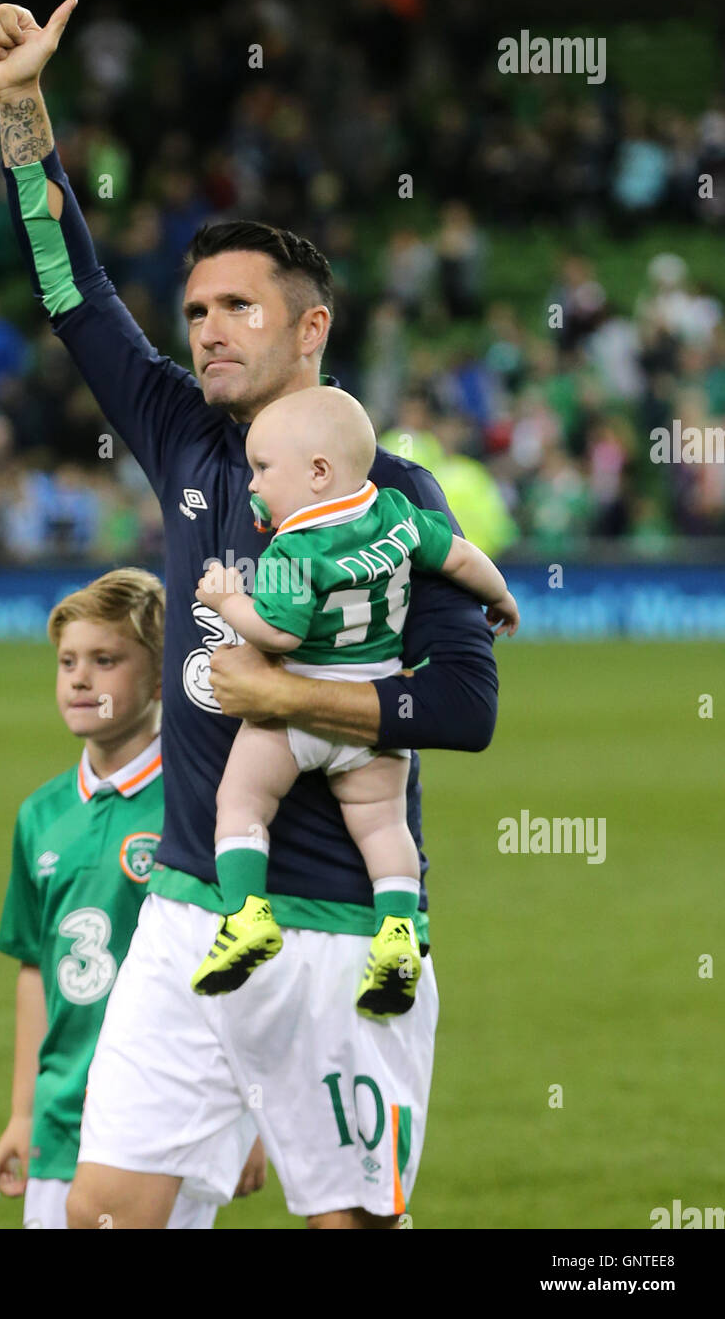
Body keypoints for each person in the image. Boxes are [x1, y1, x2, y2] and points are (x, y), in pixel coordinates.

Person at [0, 0, 499, 1230]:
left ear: (310, 328)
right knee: (104, 1214)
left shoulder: (396, 501)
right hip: (189, 916)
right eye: (197, 309)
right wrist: (19, 107)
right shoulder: (184, 443)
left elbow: (463, 709)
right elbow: (73, 290)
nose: (205, 329)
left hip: (337, 937)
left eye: (237, 309)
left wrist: (287, 698)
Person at [190, 386, 518, 1017]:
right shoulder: (397, 514)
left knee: (241, 799)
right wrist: (498, 596)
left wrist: (225, 598)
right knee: (384, 827)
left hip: (300, 709)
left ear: (318, 473)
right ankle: (399, 931)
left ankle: (246, 914)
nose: (253, 486)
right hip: (376, 711)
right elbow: (459, 555)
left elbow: (277, 634)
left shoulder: (293, 547)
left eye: (263, 469)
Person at [0, 569, 262, 1228]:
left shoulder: (202, 804)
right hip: (62, 1114)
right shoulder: (40, 815)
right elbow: (33, 968)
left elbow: (239, 958)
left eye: (105, 661)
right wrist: (24, 1112)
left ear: (163, 675)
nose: (80, 680)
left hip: (170, 1109)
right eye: (67, 662)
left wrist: (248, 1115)